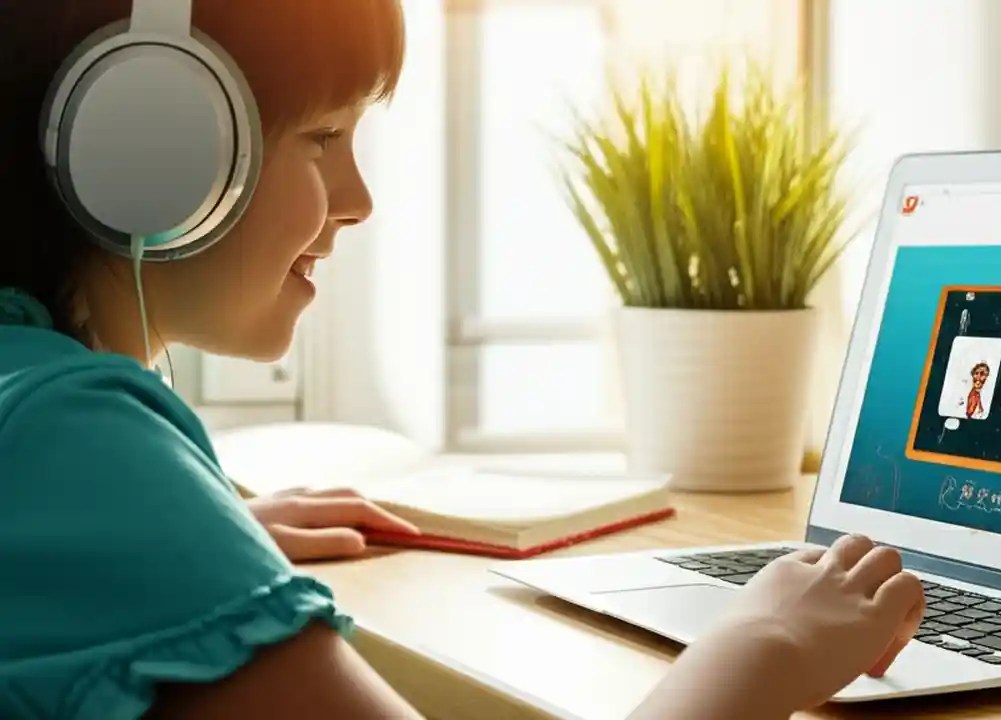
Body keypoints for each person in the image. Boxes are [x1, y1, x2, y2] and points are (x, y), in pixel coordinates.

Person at [0, 2, 925, 718]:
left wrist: (197, 549)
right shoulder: (75, 444)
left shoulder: (45, 416)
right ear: (144, 144)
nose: (358, 199)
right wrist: (761, 644)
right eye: (323, 137)